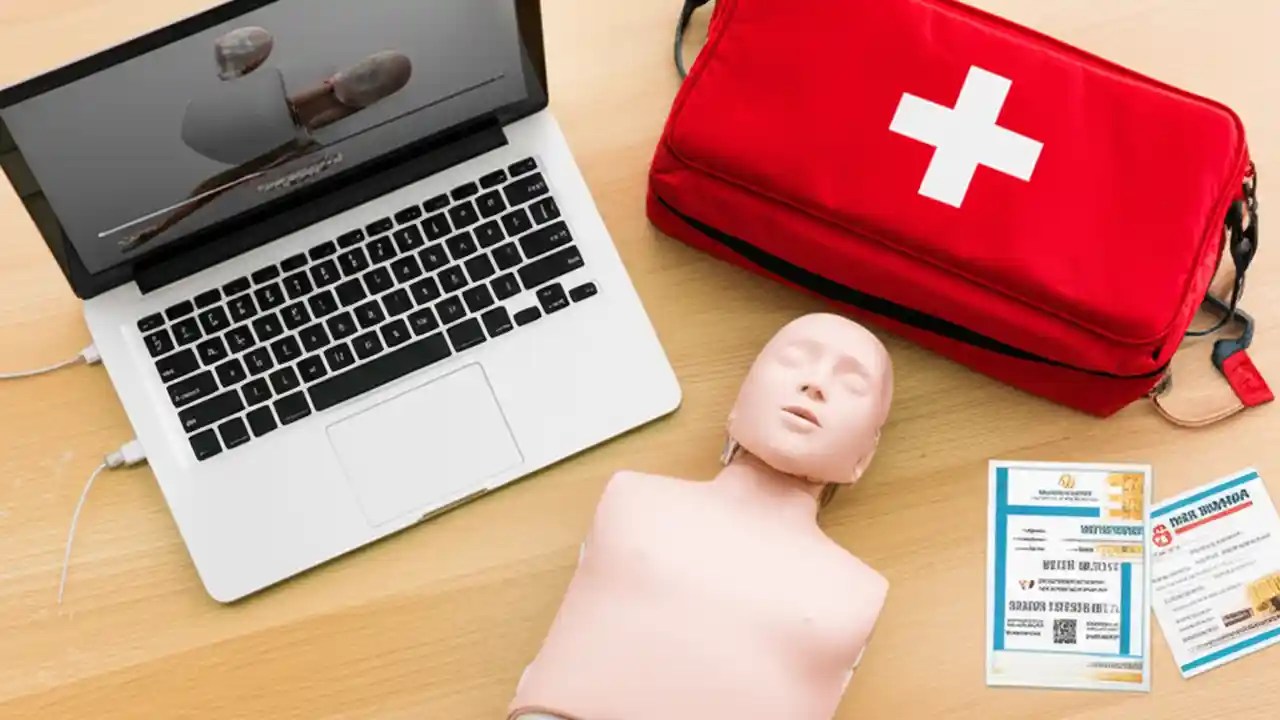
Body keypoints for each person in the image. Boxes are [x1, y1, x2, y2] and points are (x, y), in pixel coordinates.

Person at [509, 313, 895, 720]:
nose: (815, 384)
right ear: (739, 401)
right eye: (794, 360)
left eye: (852, 385)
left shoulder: (856, 592)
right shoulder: (634, 501)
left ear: (864, 458)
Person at [118, 27, 412, 250]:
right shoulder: (310, 93)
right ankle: (158, 225)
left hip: (279, 148)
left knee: (226, 183)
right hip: (269, 138)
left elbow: (226, 181)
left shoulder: (323, 113)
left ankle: (159, 226)